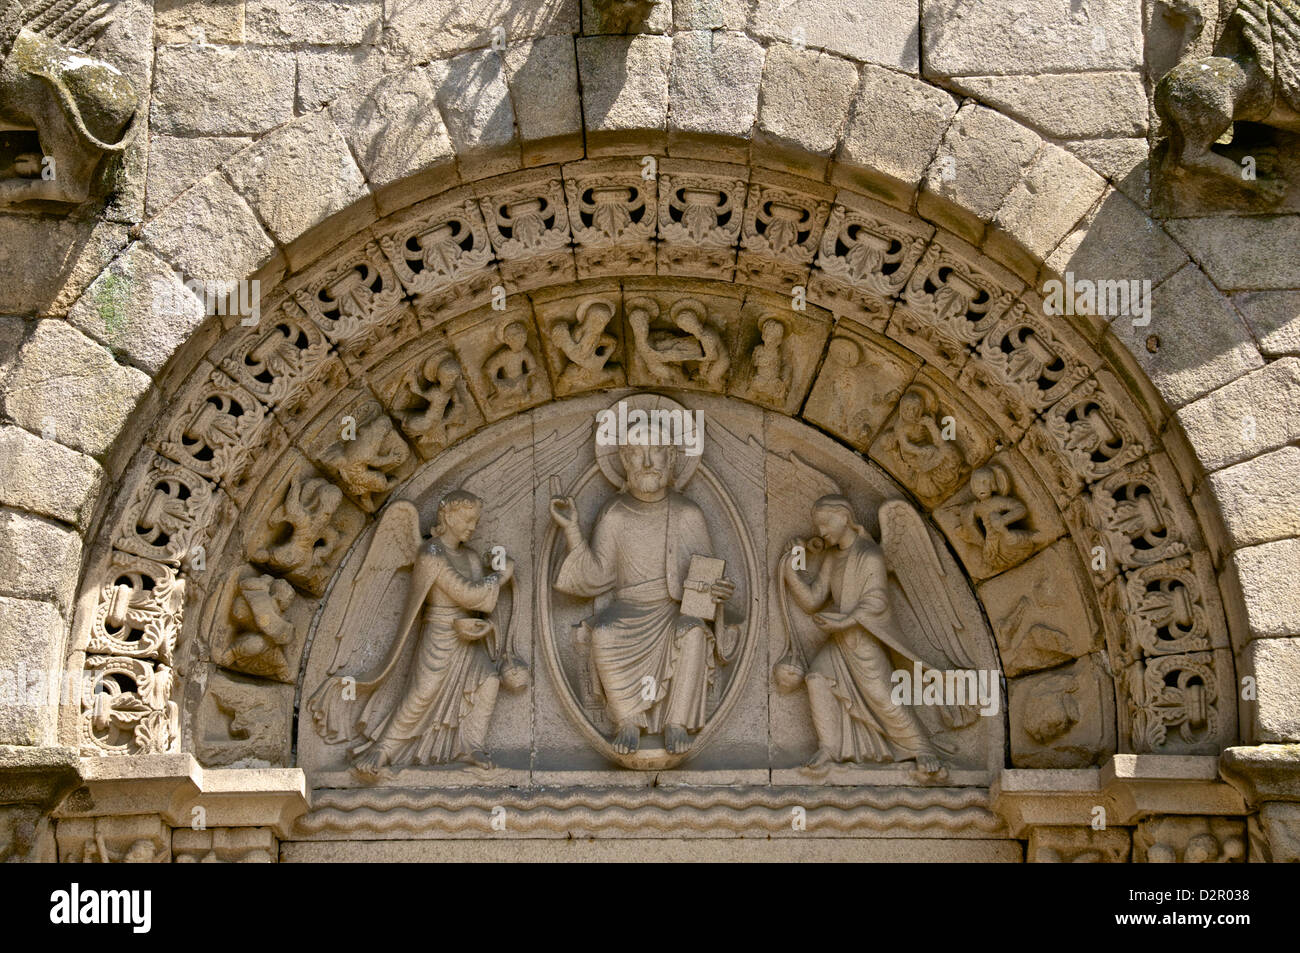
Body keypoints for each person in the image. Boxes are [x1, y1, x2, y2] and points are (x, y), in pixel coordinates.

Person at [550, 433, 734, 755]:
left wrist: (717, 591)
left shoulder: (687, 513)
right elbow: (596, 575)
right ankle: (627, 720)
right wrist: (572, 529)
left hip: (673, 609)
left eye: (657, 452)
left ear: (672, 459)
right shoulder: (615, 513)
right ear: (624, 461)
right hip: (628, 609)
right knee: (604, 634)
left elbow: (705, 576)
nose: (648, 462)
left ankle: (677, 722)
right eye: (637, 453)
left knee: (692, 634)